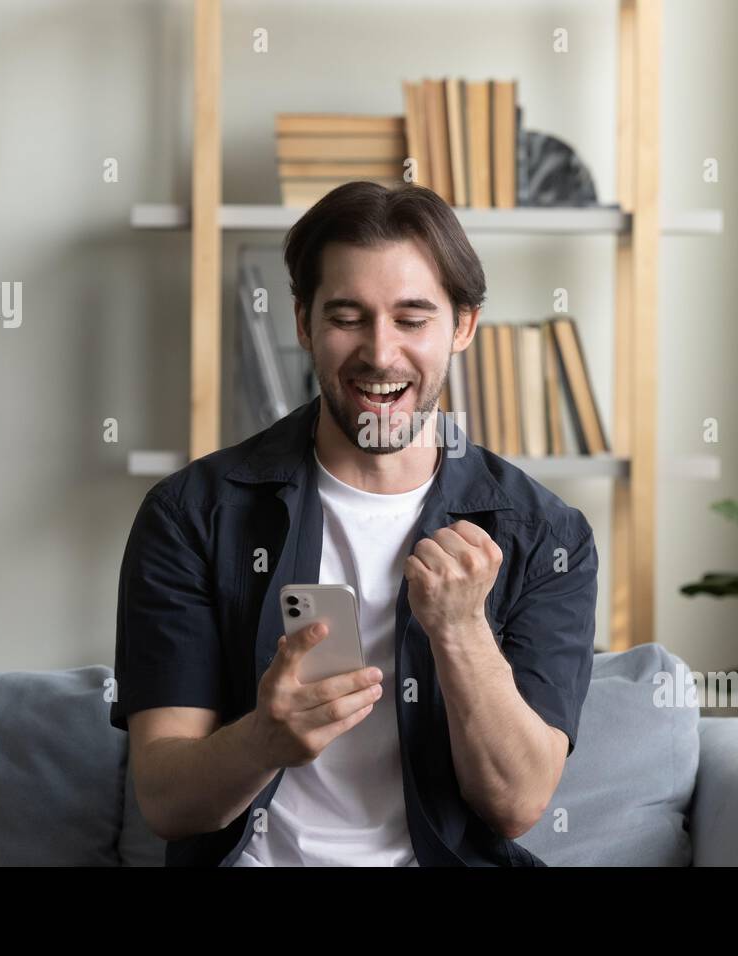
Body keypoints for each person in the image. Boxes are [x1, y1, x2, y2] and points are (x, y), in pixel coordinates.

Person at [109, 181, 598, 866]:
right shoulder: (191, 516)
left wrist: (460, 632)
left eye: (411, 318)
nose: (380, 353)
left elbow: (516, 804)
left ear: (462, 326)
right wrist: (263, 740)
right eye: (347, 317)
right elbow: (165, 801)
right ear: (303, 322)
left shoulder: (547, 537)